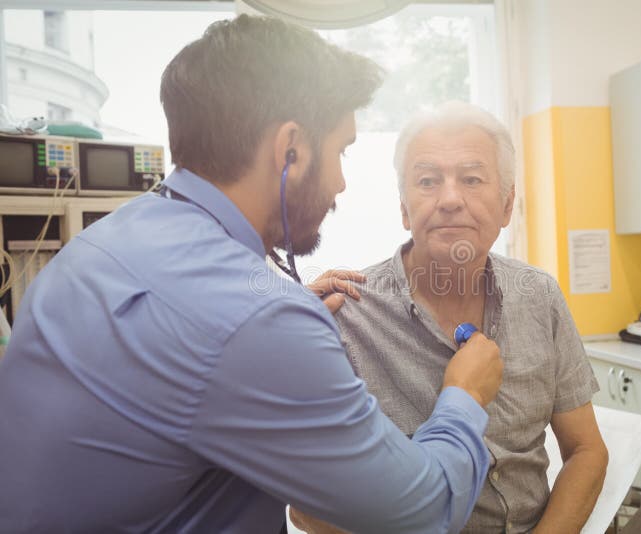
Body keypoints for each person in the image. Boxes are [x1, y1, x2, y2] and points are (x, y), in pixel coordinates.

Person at [0, 17, 505, 533]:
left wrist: (277, 314)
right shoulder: (257, 322)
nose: (341, 183)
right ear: (290, 149)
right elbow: (423, 512)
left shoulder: (97, 247)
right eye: (341, 152)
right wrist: (465, 395)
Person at [291, 102, 608, 534]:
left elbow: (587, 449)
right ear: (404, 208)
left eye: (472, 179)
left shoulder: (540, 295)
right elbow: (309, 509)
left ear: (507, 204)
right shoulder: (345, 313)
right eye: (427, 181)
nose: (451, 199)